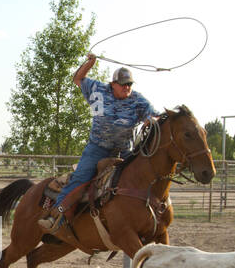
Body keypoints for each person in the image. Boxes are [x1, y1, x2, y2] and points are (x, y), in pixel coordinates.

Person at [38, 55, 158, 233]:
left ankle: (148, 215)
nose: (127, 87)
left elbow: (154, 115)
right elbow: (77, 79)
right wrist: (90, 64)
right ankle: (56, 215)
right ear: (113, 84)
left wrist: (151, 120)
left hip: (125, 151)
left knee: (143, 179)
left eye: (130, 84)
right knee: (80, 178)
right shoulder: (98, 90)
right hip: (98, 148)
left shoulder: (138, 101)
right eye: (123, 84)